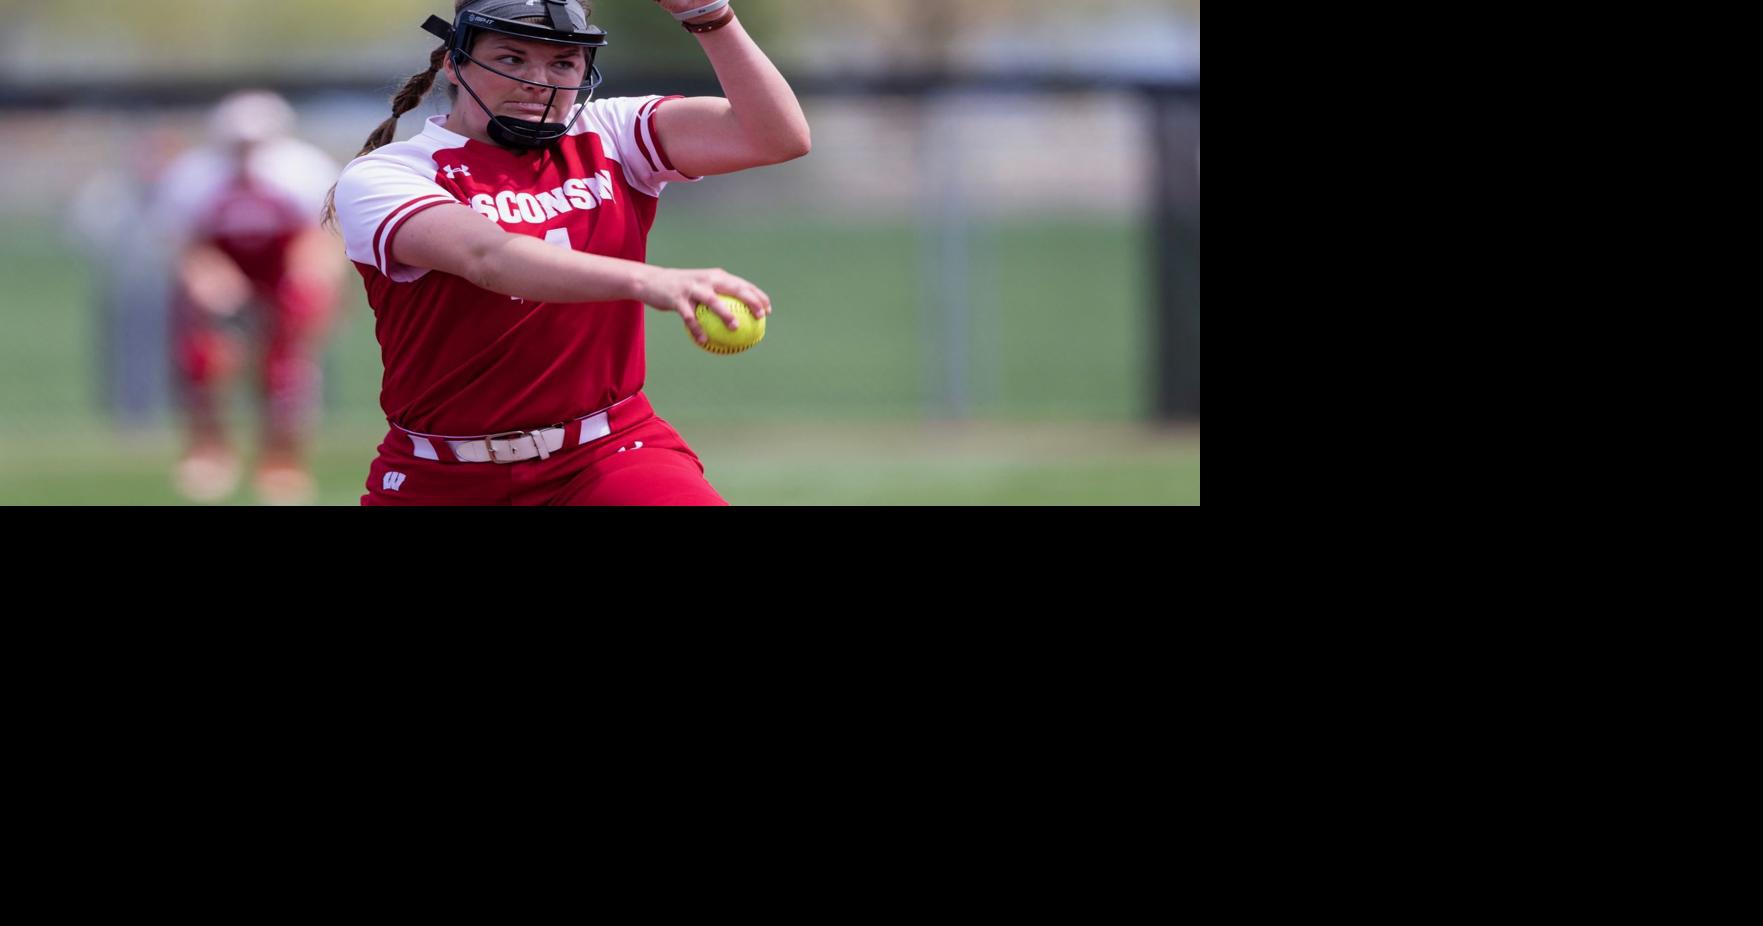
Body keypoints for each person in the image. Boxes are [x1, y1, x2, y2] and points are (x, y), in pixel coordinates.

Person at [328, 0, 809, 506]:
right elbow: (488, 258)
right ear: (453, 61)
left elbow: (776, 138)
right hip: (440, 475)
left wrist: (709, 16)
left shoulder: (609, 133)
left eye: (563, 62)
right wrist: (650, 281)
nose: (539, 81)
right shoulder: (389, 173)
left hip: (608, 452)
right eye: (511, 59)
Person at [157, 91, 344, 504]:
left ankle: (281, 460)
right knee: (203, 359)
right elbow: (184, 244)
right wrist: (208, 278)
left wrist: (308, 281)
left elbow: (321, 242)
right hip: (226, 268)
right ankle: (209, 448)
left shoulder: (305, 169)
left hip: (282, 273)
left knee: (286, 368)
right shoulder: (194, 175)